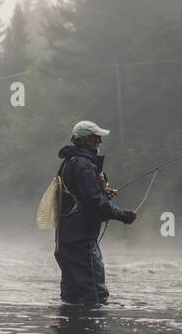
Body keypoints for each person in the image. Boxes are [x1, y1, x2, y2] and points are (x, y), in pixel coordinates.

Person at [54, 120, 137, 305]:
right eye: (96, 138)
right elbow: (94, 203)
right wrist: (122, 215)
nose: (100, 142)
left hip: (67, 238)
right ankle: (90, 333)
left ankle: (68, 332)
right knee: (95, 294)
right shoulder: (83, 165)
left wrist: (103, 193)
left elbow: (85, 196)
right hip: (81, 239)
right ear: (86, 140)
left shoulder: (70, 162)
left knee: (72, 295)